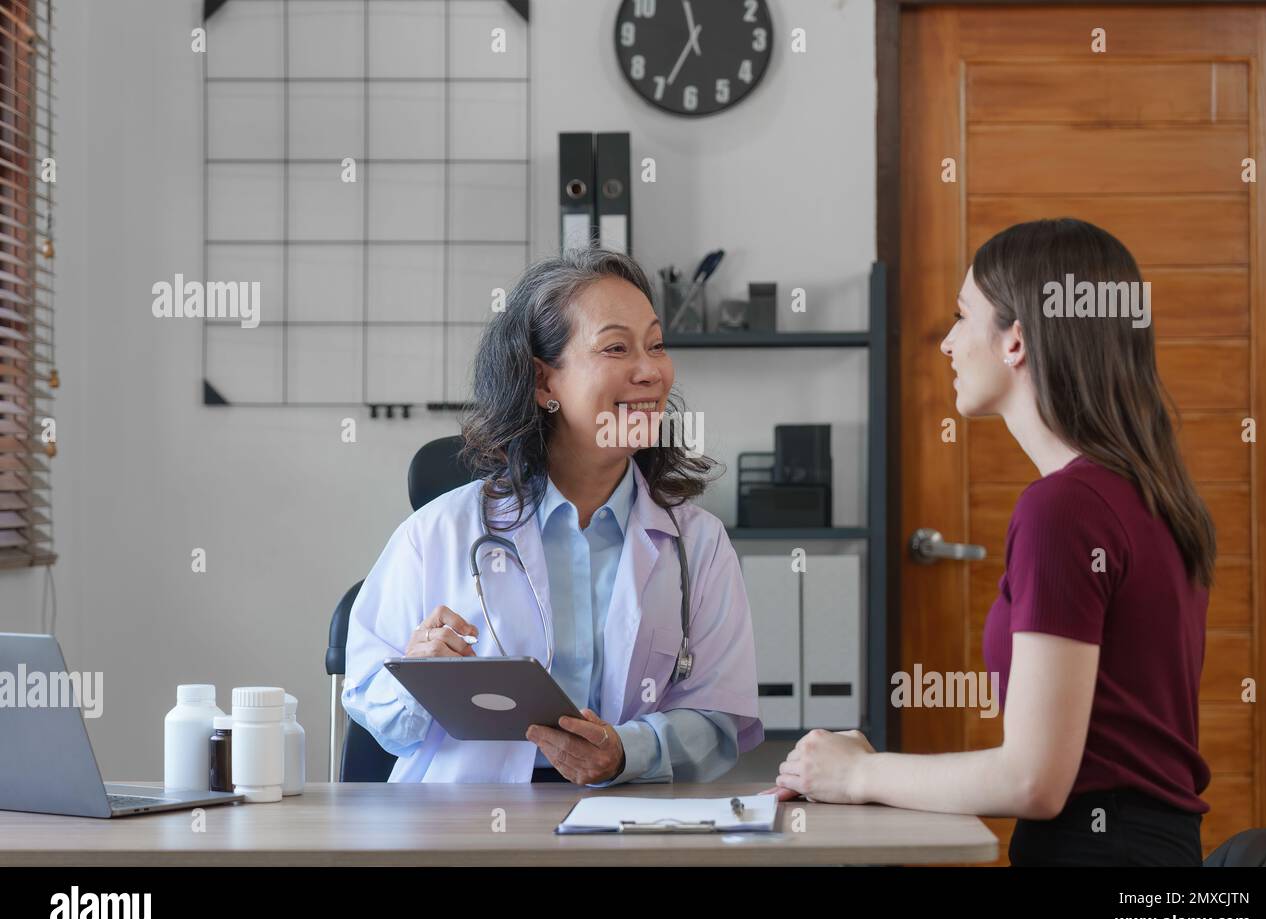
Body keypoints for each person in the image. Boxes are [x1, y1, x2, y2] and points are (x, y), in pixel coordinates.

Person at [768, 219, 1214, 866]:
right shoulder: (1147, 493)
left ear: (1016, 341)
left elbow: (1032, 780)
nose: (947, 343)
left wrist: (857, 773)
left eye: (961, 316)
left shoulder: (1065, 509)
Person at [343, 247, 762, 785]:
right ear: (544, 384)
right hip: (461, 830)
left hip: (626, 826)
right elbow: (372, 704)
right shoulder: (438, 533)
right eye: (617, 348)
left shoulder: (697, 545)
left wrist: (626, 752)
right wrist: (418, 678)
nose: (650, 371)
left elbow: (718, 717)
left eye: (656, 346)